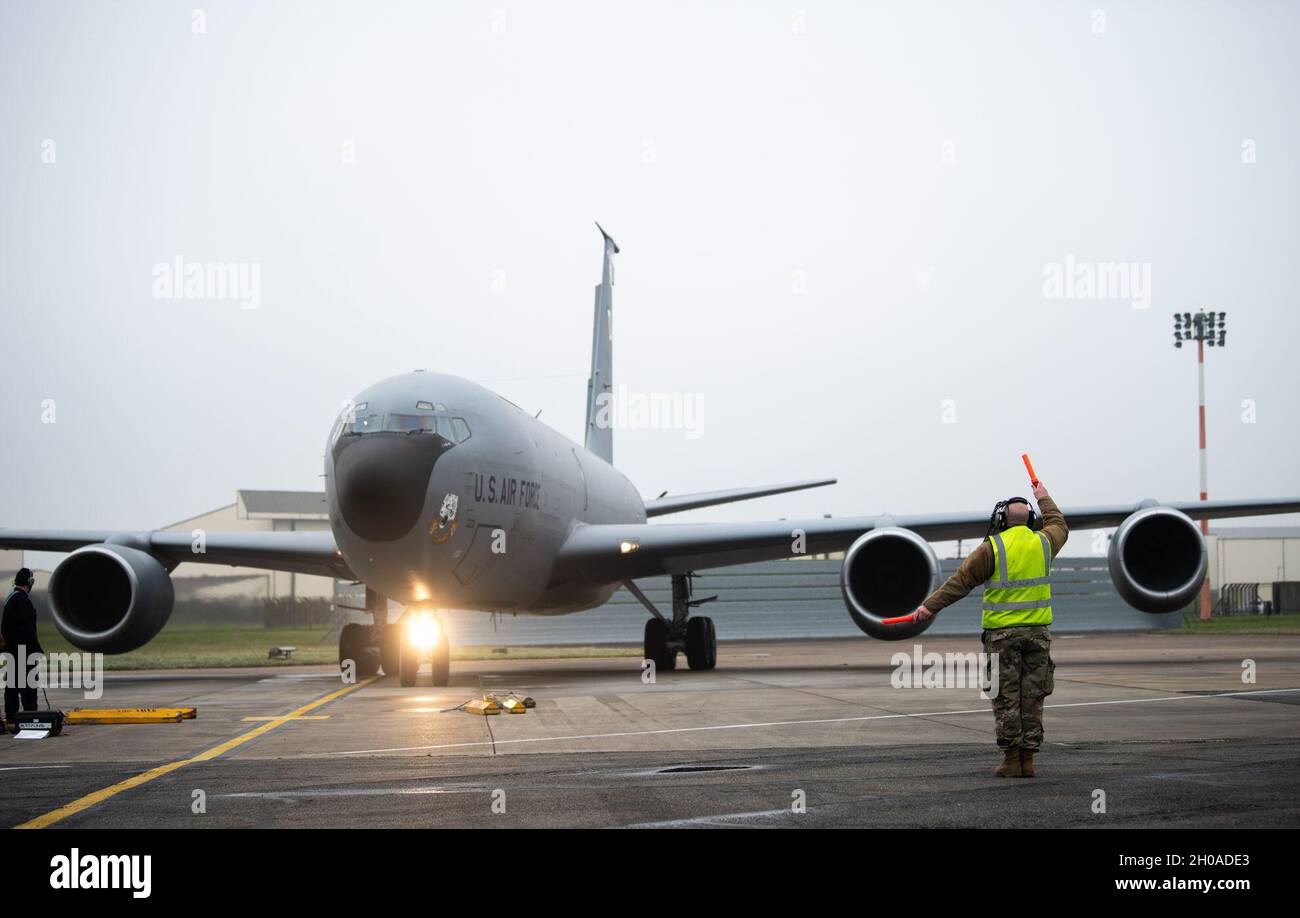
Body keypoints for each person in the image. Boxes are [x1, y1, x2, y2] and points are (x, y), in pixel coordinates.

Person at [911, 482, 1068, 778]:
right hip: (1037, 635)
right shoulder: (1045, 543)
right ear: (1032, 520)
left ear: (1001, 521)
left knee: (1005, 696)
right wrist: (1043, 497)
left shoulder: (991, 548)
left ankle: (1011, 759)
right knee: (1032, 696)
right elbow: (1059, 523)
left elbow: (960, 582)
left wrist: (929, 607)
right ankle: (1028, 759)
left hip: (1003, 638)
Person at [2, 568, 44, 732]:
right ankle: (30, 715)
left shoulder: (11, 598)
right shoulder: (22, 600)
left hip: (11, 650)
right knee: (28, 685)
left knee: (12, 685)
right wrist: (35, 648)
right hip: (23, 651)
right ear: (30, 582)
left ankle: (11, 716)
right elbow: (27, 630)